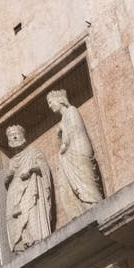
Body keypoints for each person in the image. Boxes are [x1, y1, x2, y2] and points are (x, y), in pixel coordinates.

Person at [46, 88, 103, 220]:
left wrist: (64, 144)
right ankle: (80, 210)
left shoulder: (71, 111)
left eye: (51, 102)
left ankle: (93, 204)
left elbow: (74, 131)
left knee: (86, 179)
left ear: (60, 100)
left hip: (78, 151)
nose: (50, 106)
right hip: (70, 154)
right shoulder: (63, 119)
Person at [4, 124, 53, 252]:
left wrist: (31, 170)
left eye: (16, 134)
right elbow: (8, 176)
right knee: (18, 217)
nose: (14, 137)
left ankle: (37, 238)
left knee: (31, 211)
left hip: (30, 186)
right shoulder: (12, 160)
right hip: (15, 192)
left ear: (22, 135)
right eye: (10, 135)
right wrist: (8, 177)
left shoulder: (33, 152)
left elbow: (42, 166)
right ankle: (25, 242)